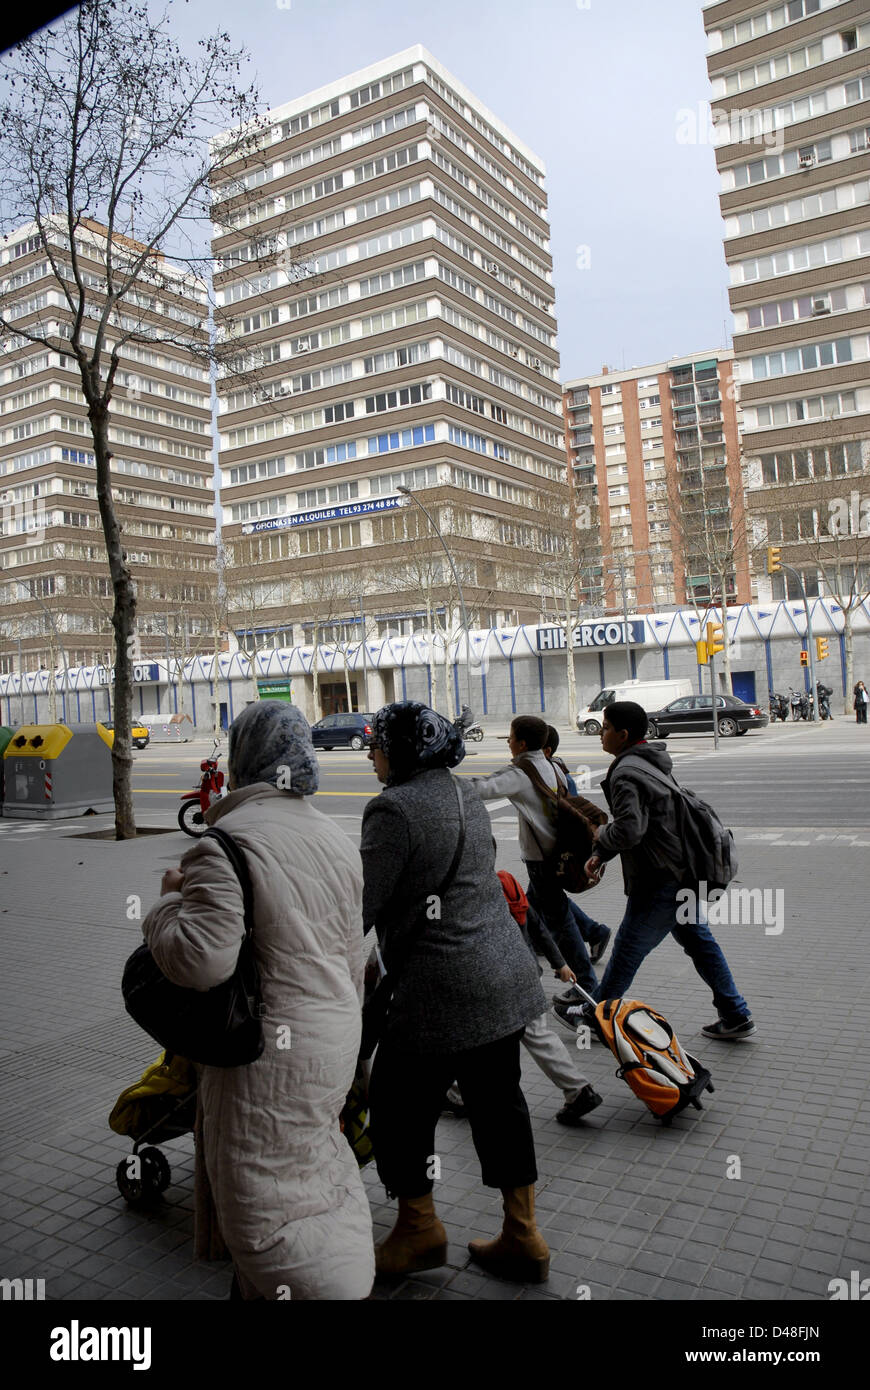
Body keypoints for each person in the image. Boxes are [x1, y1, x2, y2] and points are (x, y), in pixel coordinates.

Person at [141, 701, 374, 1301]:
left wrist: (168, 902)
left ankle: (322, 1285)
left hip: (265, 1050)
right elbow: (351, 955)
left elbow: (200, 959)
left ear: (245, 757)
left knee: (265, 1197)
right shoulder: (334, 835)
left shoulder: (228, 843)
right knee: (310, 1174)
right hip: (334, 1039)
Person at [361, 701, 550, 1284]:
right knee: (500, 1105)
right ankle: (524, 1236)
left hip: (439, 989)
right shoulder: (466, 793)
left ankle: (419, 1229)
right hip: (503, 975)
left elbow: (362, 907)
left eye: (378, 744)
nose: (371, 754)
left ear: (403, 750)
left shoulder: (392, 809)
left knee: (394, 1105)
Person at [552, 701, 756, 1043]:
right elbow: (648, 822)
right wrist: (603, 853)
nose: (601, 734)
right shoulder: (651, 762)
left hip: (660, 878)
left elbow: (631, 829)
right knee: (699, 942)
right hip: (683, 871)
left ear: (623, 734)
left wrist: (600, 837)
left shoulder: (626, 772)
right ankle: (735, 1013)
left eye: (605, 727)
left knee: (628, 949)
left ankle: (596, 1017)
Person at [465, 714, 599, 997]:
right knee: (533, 915)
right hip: (556, 855)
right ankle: (534, 967)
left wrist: (441, 781)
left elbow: (483, 788)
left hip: (542, 862)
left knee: (560, 923)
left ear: (522, 743)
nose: (508, 742)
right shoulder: (553, 766)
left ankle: (587, 986)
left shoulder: (521, 774)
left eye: (510, 738)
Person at [497, 862, 603, 1125]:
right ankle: (578, 1089)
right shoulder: (508, 882)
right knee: (538, 1035)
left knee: (473, 1038)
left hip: (496, 983)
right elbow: (537, 926)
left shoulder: (473, 893)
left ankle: (459, 1094)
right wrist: (561, 963)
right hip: (527, 975)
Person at [543, 724, 611, 967]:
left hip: (554, 852)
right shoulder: (557, 769)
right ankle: (548, 940)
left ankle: (591, 937)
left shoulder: (551, 772)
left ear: (545, 749)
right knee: (546, 900)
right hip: (551, 851)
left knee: (545, 901)